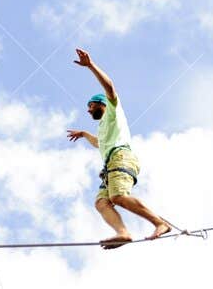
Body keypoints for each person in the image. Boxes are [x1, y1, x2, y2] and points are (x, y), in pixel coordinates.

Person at [65, 49, 173, 247]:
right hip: (110, 163)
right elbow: (99, 143)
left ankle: (160, 223)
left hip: (121, 157)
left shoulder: (113, 112)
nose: (88, 110)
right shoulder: (104, 128)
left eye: (91, 106)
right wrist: (83, 134)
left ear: (102, 104)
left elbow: (110, 88)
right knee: (101, 203)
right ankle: (123, 233)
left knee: (118, 196)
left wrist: (90, 66)